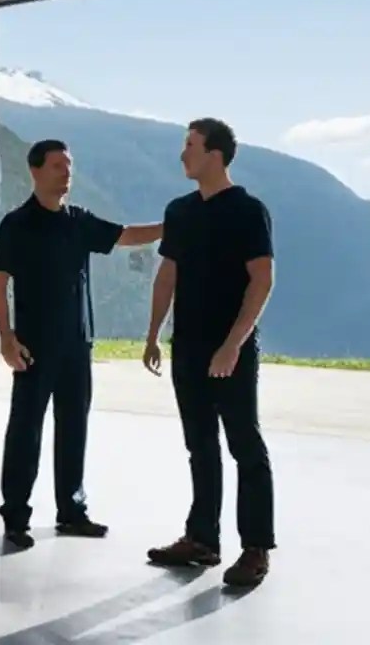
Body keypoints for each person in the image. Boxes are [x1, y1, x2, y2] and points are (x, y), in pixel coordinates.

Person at [0, 138, 163, 549]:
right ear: (35, 171)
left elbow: (124, 236)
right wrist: (6, 338)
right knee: (25, 432)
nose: (66, 173)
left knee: (74, 429)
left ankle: (71, 511)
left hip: (77, 347)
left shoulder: (79, 221)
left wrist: (172, 225)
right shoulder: (17, 225)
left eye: (69, 166)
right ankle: (15, 516)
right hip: (33, 348)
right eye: (57, 166)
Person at [141, 117, 276, 587]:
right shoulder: (179, 211)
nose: (183, 155)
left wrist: (233, 345)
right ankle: (202, 540)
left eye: (191, 146)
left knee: (245, 445)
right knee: (200, 445)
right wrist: (154, 332)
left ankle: (256, 548)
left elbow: (262, 280)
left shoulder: (248, 210)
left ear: (214, 155)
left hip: (230, 351)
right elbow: (166, 276)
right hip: (188, 349)